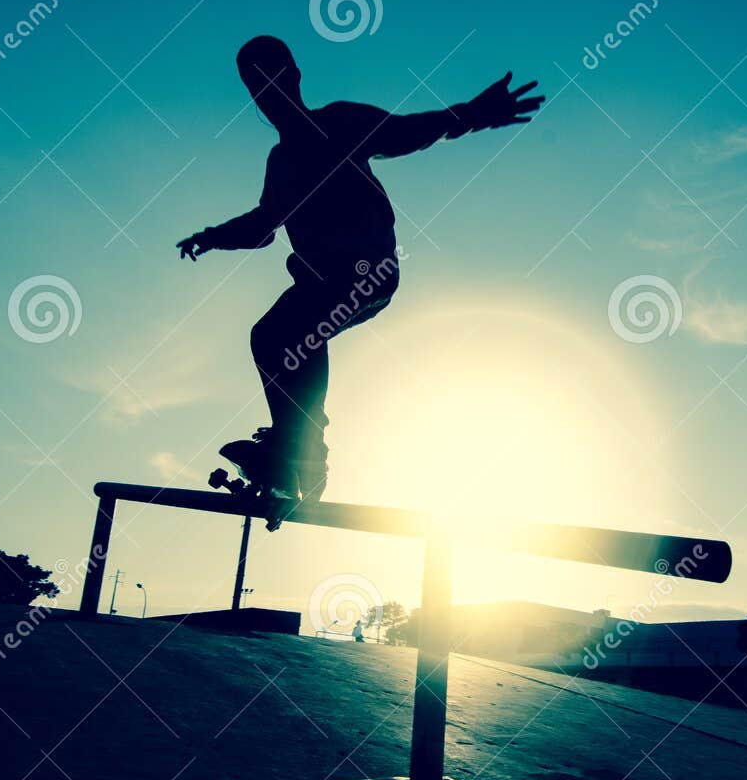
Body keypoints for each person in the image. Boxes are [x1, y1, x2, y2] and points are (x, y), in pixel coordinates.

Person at [177, 35, 543, 500]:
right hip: (318, 279)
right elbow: (263, 226)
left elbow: (405, 132)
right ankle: (295, 450)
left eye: (272, 81)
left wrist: (470, 115)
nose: (267, 96)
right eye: (257, 89)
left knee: (297, 328)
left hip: (366, 272)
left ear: (293, 78)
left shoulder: (340, 122)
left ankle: (303, 453)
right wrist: (212, 238)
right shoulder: (282, 162)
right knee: (270, 335)